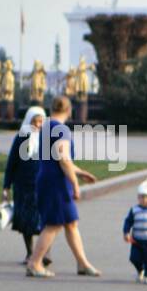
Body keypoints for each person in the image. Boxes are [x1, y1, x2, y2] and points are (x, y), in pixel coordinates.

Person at [26, 95, 100, 278]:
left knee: (70, 223)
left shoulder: (46, 127)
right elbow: (64, 159)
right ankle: (34, 263)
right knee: (53, 225)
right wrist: (75, 184)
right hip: (57, 183)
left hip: (46, 179)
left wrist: (80, 172)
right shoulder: (61, 129)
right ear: (69, 110)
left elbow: (57, 158)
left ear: (52, 109)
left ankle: (82, 264)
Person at [4, 107, 50, 267]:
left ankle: (44, 253)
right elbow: (12, 163)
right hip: (23, 186)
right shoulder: (21, 138)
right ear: (28, 121)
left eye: (41, 121)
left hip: (43, 185)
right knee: (26, 222)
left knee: (45, 220)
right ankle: (30, 253)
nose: (38, 124)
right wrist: (6, 186)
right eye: (35, 121)